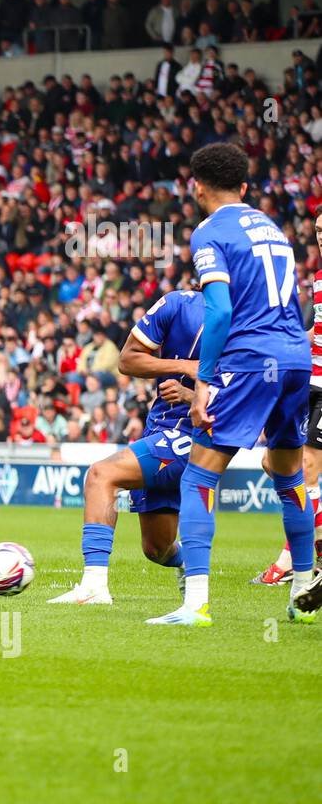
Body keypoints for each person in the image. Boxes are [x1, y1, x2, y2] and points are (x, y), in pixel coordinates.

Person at [168, 143, 317, 627]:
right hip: (296, 357)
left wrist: (206, 379)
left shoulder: (210, 232)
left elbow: (221, 310)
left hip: (252, 359)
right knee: (289, 476)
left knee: (199, 476)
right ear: (246, 187)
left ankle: (195, 605)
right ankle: (302, 593)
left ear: (197, 186)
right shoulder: (272, 228)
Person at [50, 290, 201, 605]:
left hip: (197, 436)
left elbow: (250, 391)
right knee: (157, 549)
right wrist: (185, 367)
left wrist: (194, 396)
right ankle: (190, 563)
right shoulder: (177, 305)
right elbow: (127, 360)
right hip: (158, 429)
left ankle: (93, 586)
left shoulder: (249, 324)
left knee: (101, 475)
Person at [252, 232, 322, 587]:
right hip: (307, 382)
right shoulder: (320, 279)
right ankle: (317, 541)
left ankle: (289, 563)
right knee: (272, 462)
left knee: (306, 470)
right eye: (319, 231)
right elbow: (317, 332)